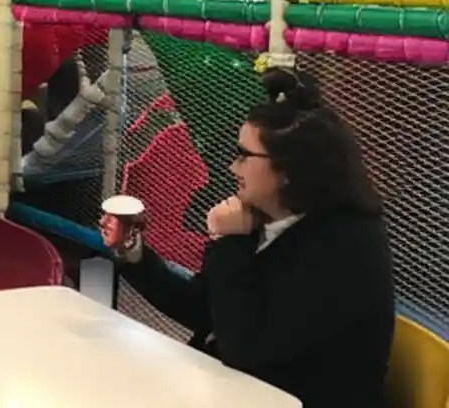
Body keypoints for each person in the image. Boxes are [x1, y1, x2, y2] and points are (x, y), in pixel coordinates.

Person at [100, 68, 393, 408]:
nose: (233, 168)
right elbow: (206, 309)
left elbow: (244, 348)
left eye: (244, 155)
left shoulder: (347, 244)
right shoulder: (265, 215)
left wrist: (229, 240)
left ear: (288, 170)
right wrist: (132, 251)